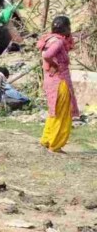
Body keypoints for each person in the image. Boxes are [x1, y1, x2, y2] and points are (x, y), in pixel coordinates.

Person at [39, 16, 78, 153]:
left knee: (53, 111)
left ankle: (47, 139)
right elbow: (47, 55)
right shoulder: (58, 42)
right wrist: (55, 64)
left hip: (51, 81)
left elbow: (70, 44)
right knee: (62, 113)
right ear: (65, 28)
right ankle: (55, 145)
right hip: (59, 81)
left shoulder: (50, 38)